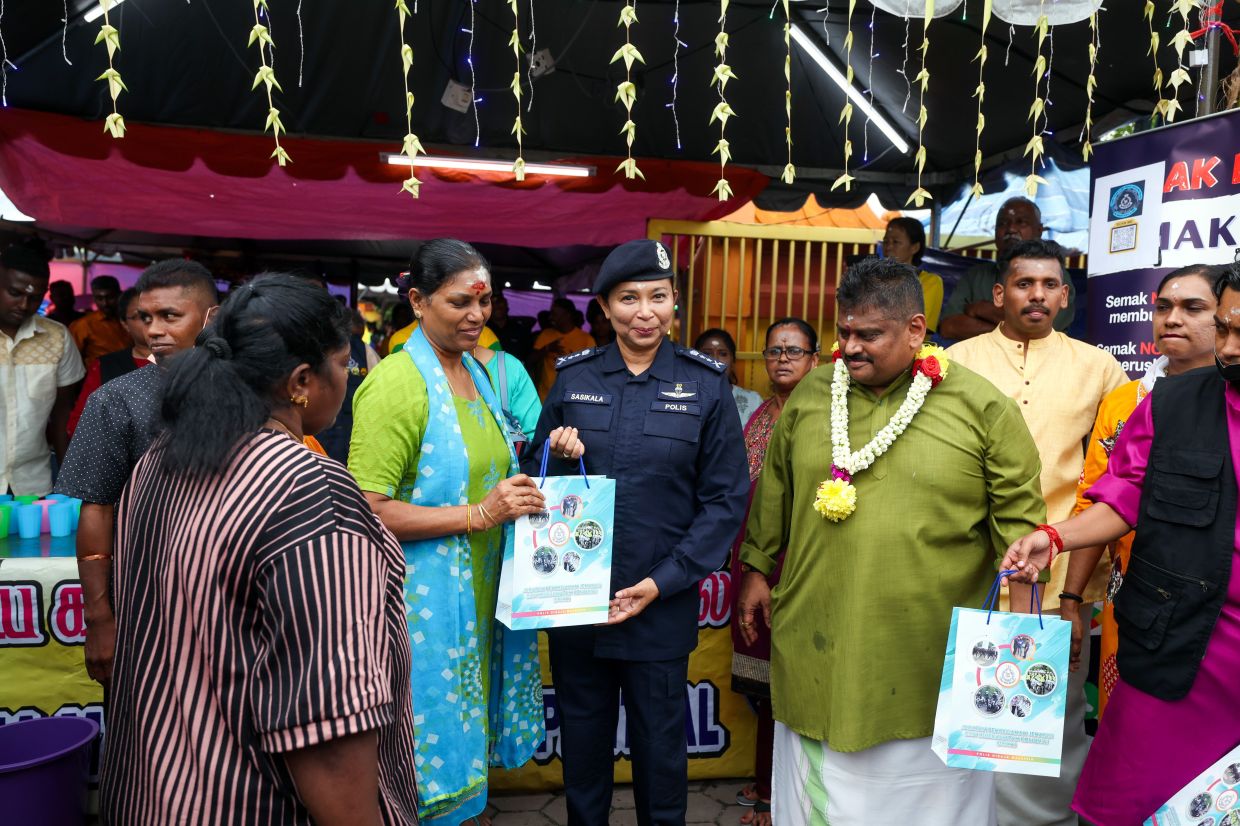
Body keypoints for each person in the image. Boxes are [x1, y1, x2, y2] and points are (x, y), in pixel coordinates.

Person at [98, 273, 419, 825]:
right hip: (253, 803)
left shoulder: (160, 460)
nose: (349, 381)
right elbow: (329, 726)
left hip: (154, 794)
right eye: (344, 365)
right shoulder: (307, 489)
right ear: (300, 380)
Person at [736, 257, 1045, 825]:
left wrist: (1025, 632)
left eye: (868, 334)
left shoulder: (980, 407)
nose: (849, 348)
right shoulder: (813, 392)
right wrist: (756, 570)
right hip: (816, 651)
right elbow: (775, 487)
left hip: (928, 662)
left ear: (915, 330)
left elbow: (1022, 537)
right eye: (843, 331)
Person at [1000, 264, 1240, 826]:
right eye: (1224, 330)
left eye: (1238, 333)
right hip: (1173, 642)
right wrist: (1054, 538)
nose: (1227, 349)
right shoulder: (1170, 403)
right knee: (1130, 803)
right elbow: (1122, 494)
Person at [527, 239, 749, 826]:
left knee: (661, 762)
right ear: (604, 307)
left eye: (657, 296)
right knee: (584, 757)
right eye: (628, 298)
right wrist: (552, 451)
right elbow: (532, 478)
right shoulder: (572, 380)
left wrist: (662, 581)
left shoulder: (706, 385)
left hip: (659, 605)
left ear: (675, 301)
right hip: (579, 605)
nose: (643, 311)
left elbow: (725, 501)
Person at [348, 238, 548, 825]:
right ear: (417, 300)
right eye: (460, 303)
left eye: (484, 304)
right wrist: (479, 516)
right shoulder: (395, 385)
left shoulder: (482, 376)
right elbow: (365, 508)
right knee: (426, 736)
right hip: (421, 603)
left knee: (462, 730)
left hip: (479, 594)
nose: (477, 316)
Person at [946, 238, 1128, 826]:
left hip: (1054, 587)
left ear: (1066, 296)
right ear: (999, 294)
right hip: (964, 578)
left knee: (1048, 728)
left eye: (1050, 285)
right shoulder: (956, 362)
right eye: (1024, 284)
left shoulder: (1098, 368)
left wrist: (1074, 597)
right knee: (964, 723)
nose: (1037, 295)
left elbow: (1108, 485)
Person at [1061, 265, 1220, 720]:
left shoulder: (1232, 402)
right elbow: (1096, 501)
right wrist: (1072, 599)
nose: (1172, 319)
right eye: (1163, 307)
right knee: (1126, 728)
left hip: (1214, 605)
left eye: (1193, 308)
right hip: (1131, 600)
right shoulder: (1124, 402)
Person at [56, 259, 219, 689]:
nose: (154, 331)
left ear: (210, 318)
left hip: (227, 603)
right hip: (145, 603)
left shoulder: (247, 395)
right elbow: (97, 509)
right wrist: (99, 618)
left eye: (170, 317)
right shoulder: (115, 401)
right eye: (146, 318)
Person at [728, 318, 820, 826]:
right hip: (755, 564)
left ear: (815, 359)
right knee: (761, 688)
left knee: (794, 682)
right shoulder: (759, 417)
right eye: (774, 350)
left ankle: (775, 793)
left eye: (794, 350)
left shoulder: (825, 418)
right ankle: (769, 779)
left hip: (801, 564)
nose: (782, 359)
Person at [0, 241, 85, 496]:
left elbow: (62, 417)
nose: (25, 305)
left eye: (35, 297)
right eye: (15, 293)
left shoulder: (57, 337)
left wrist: (71, 484)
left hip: (33, 485)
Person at [939, 197, 1076, 341]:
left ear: (1039, 230)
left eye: (1021, 222)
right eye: (1003, 223)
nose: (1010, 229)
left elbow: (1039, 331)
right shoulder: (976, 275)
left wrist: (982, 309)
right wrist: (1015, 328)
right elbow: (949, 327)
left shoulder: (1056, 275)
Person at [67, 287, 150, 437]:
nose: (152, 321)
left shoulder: (192, 363)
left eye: (164, 314)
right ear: (124, 324)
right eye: (141, 316)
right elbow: (79, 425)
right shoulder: (105, 367)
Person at [314, 309, 379, 464]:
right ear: (360, 327)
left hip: (320, 434)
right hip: (354, 436)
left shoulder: (319, 347)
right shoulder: (366, 351)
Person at [882, 216, 944, 333]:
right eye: (886, 241)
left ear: (915, 247)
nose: (888, 247)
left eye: (896, 242)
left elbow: (917, 327)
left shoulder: (930, 282)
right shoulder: (876, 279)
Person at [695, 328, 764, 426]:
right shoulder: (686, 399)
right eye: (707, 354)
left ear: (733, 360)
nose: (715, 360)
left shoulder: (753, 401)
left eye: (723, 354)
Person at [530, 297, 595, 400]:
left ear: (567, 315)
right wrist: (547, 348)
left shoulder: (586, 339)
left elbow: (592, 370)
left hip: (573, 399)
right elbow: (530, 360)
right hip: (546, 398)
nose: (551, 317)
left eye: (554, 314)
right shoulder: (546, 334)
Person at [70, 274, 131, 367]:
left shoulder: (132, 319)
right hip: (100, 378)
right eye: (99, 298)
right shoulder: (83, 325)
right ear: (93, 298)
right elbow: (72, 360)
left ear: (120, 295)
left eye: (110, 297)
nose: (105, 303)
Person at [490, 292, 536, 361]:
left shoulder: (520, 330)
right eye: (492, 304)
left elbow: (529, 356)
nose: (496, 306)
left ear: (507, 307)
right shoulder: (482, 330)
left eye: (499, 302)